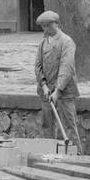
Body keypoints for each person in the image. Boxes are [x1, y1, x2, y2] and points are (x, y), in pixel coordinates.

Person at [34, 10, 80, 149]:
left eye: (48, 25)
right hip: (47, 92)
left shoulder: (66, 42)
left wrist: (58, 90)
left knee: (69, 126)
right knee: (47, 125)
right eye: (43, 26)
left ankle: (75, 155)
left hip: (64, 92)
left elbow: (67, 67)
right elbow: (38, 65)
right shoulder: (43, 43)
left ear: (56, 24)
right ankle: (49, 153)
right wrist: (43, 86)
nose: (46, 29)